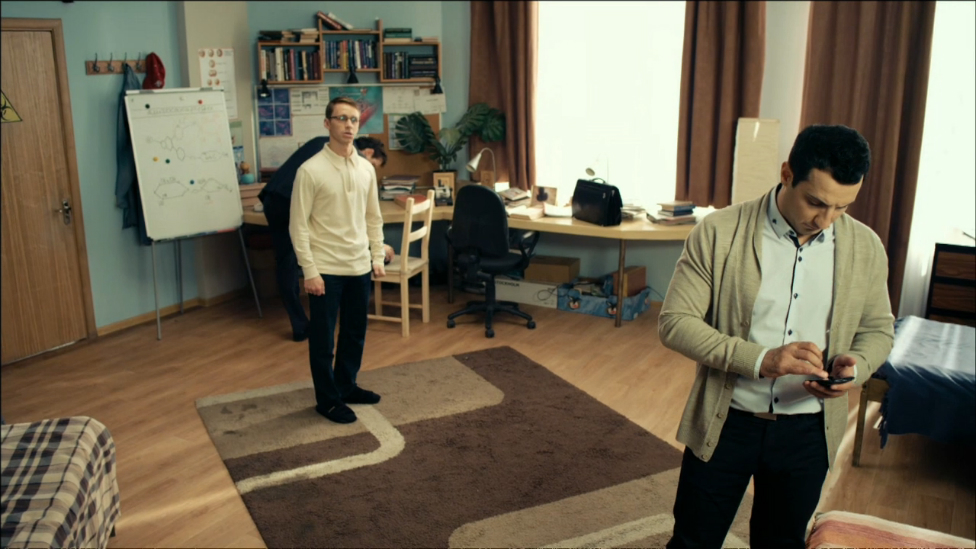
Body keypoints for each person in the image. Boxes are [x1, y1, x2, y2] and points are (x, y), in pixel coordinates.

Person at [659, 124, 895, 549]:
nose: (826, 220)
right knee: (693, 541)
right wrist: (761, 359)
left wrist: (856, 366)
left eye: (842, 207)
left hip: (809, 432)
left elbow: (879, 329)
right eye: (816, 202)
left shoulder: (867, 247)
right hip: (726, 420)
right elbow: (675, 322)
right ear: (787, 173)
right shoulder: (718, 231)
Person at [290, 97, 387, 424]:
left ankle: (346, 386)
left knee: (355, 333)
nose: (348, 125)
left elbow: (373, 217)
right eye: (341, 118)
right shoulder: (310, 170)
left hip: (359, 265)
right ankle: (328, 400)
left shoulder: (366, 169)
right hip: (325, 270)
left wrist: (376, 255)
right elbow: (298, 226)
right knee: (323, 340)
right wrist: (309, 271)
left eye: (353, 120)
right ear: (327, 123)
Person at [259, 134, 391, 341]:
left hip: (274, 197)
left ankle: (300, 325)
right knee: (301, 258)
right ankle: (317, 322)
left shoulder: (326, 143)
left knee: (286, 262)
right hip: (289, 201)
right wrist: (378, 247)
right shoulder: (349, 157)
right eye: (373, 165)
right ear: (368, 153)